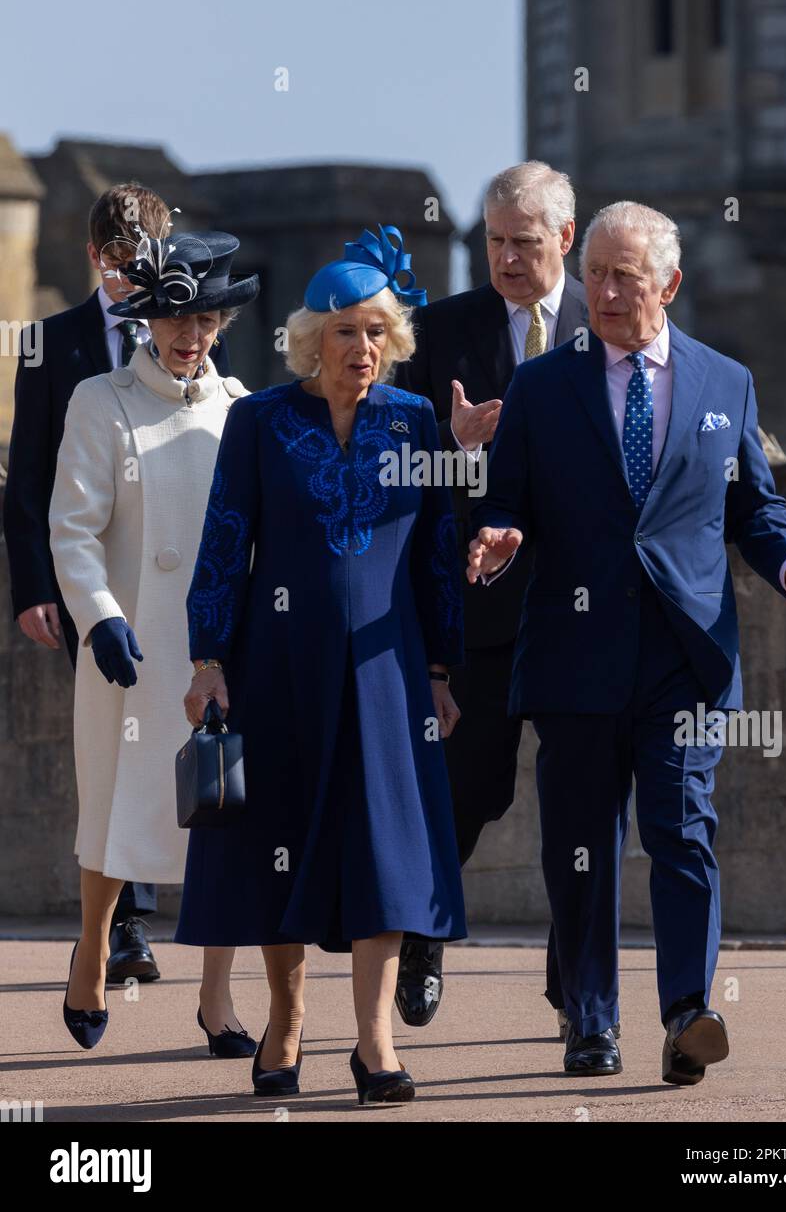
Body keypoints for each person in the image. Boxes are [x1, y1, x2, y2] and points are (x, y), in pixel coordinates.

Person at [468, 201, 786, 1084]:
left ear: (669, 285)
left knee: (682, 830)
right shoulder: (542, 385)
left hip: (684, 654)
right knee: (581, 845)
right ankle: (591, 1021)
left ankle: (687, 1010)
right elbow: (507, 501)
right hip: (573, 654)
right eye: (595, 272)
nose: (601, 292)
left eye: (624, 278)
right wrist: (498, 537)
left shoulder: (727, 383)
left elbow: (753, 508)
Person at [177, 225, 467, 1105]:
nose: (364, 347)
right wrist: (208, 658)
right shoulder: (259, 420)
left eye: (378, 331)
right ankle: (288, 1018)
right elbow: (226, 539)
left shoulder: (415, 421)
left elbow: (439, 553)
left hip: (389, 668)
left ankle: (375, 1042)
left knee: (386, 849)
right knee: (280, 840)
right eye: (347, 332)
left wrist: (443, 671)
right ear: (311, 339)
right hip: (279, 666)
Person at [3, 183, 233, 985]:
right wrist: (41, 589)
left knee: (200, 772)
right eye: (121, 261)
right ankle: (113, 931)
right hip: (98, 590)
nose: (136, 278)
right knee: (112, 761)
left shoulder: (201, 343)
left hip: (190, 614)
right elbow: (29, 481)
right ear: (94, 257)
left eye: (149, 263)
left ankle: (189, 963)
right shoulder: (49, 343)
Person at [48, 228, 259, 1055]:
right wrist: (99, 616)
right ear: (147, 319)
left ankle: (217, 998)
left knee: (224, 820)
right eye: (176, 316)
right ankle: (92, 953)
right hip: (127, 649)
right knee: (113, 814)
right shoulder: (100, 401)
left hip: (216, 653)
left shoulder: (244, 409)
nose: (190, 334)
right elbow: (72, 530)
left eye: (205, 318)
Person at [393, 161, 587, 1030]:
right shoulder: (438, 331)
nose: (506, 258)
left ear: (566, 240)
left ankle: (577, 984)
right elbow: (388, 467)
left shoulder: (612, 317)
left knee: (582, 799)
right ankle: (427, 932)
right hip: (479, 612)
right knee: (472, 790)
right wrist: (453, 442)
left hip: (590, 609)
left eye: (525, 242)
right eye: (494, 241)